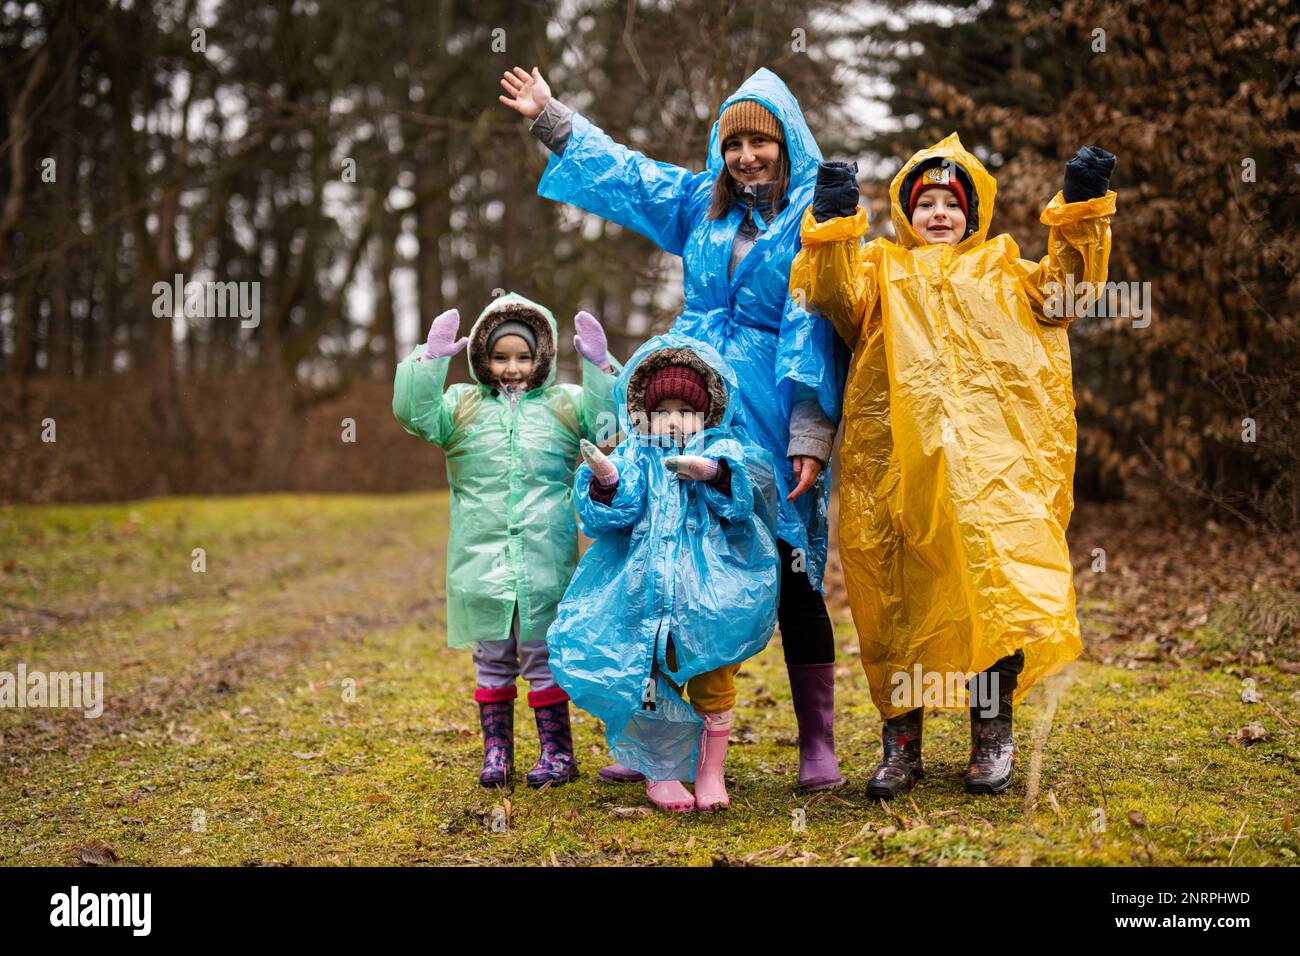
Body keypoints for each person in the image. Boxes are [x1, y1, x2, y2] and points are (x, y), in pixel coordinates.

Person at [499, 65, 849, 792]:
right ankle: (649, 736)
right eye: (733, 144)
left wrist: (810, 435)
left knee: (791, 572)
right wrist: (552, 117)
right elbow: (627, 176)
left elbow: (819, 330)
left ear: (788, 143)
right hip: (686, 402)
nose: (746, 156)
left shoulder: (818, 222)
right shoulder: (701, 204)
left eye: (761, 142)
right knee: (650, 563)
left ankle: (817, 742)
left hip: (775, 409)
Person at [791, 136, 1117, 796]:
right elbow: (829, 292)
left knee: (993, 599)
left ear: (973, 211)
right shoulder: (879, 271)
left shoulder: (1006, 269)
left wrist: (1081, 208)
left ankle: (991, 735)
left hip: (994, 476)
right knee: (899, 602)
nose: (939, 212)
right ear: (907, 214)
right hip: (899, 473)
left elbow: (1067, 293)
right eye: (925, 202)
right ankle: (901, 743)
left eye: (951, 202)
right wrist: (833, 217)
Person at [391, 293, 620, 788]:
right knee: (492, 655)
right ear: (481, 358)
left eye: (522, 356)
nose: (512, 368)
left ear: (543, 356)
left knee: (542, 653)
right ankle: (497, 752)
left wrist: (600, 367)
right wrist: (427, 364)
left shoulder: (565, 404)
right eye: (500, 357)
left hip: (545, 557)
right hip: (481, 559)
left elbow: (609, 425)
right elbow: (416, 415)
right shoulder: (462, 406)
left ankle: (558, 752)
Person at [547, 332, 779, 812]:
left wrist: (714, 473)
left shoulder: (726, 448)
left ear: (708, 411)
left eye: (686, 410)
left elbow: (742, 504)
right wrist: (608, 480)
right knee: (652, 678)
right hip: (647, 598)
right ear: (644, 413)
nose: (674, 421)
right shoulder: (634, 454)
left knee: (715, 680)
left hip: (708, 601)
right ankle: (662, 769)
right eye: (663, 411)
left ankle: (710, 771)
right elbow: (611, 515)